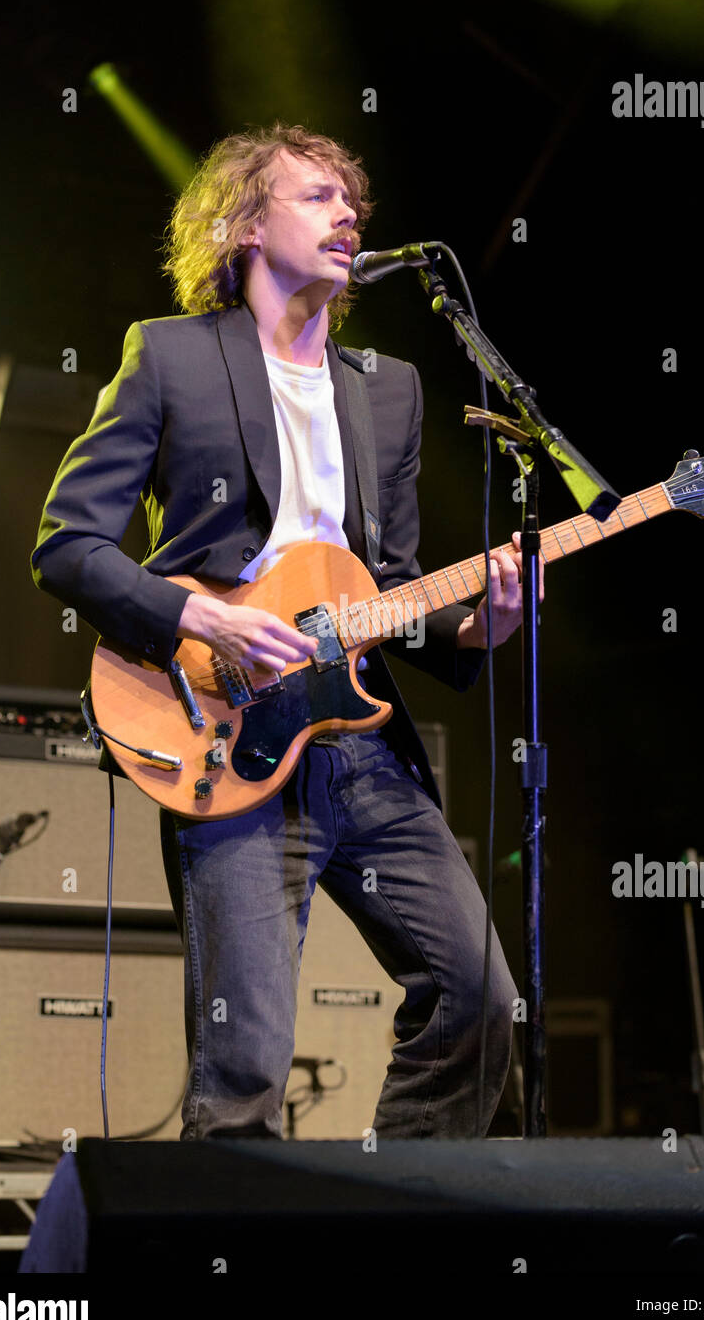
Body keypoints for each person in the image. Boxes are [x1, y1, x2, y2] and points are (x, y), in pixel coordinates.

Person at [31, 122, 542, 1140]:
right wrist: (196, 611)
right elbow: (67, 545)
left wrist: (476, 627)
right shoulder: (168, 357)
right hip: (223, 732)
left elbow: (387, 587)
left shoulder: (386, 391)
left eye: (353, 199)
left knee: (483, 998)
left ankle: (397, 1217)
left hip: (361, 745)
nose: (349, 212)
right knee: (246, 1066)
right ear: (242, 221)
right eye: (317, 195)